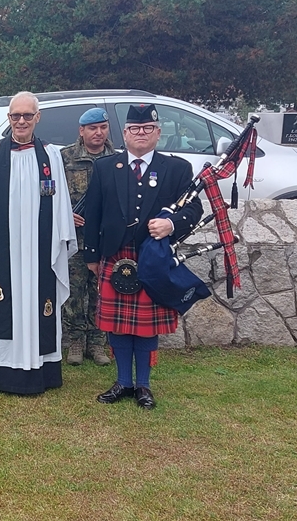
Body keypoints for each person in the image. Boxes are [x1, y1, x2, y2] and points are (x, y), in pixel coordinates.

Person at [81, 103, 201, 410]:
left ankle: (143, 385)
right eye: (135, 129)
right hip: (114, 255)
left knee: (146, 326)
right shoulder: (106, 167)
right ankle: (123, 381)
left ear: (158, 133)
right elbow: (93, 215)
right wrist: (92, 255)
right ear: (125, 133)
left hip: (152, 259)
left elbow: (193, 208)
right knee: (118, 325)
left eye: (148, 129)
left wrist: (171, 223)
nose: (141, 134)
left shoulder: (176, 169)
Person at [0, 92, 76, 395]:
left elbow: (60, 201)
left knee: (38, 303)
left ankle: (39, 370)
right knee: (0, 303)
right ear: (8, 119)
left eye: (27, 115)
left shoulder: (50, 155)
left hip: (39, 249)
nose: (21, 121)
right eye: (15, 116)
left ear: (37, 117)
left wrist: (61, 238)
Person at [60, 107, 115, 366]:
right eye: (93, 128)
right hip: (75, 240)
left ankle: (96, 342)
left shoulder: (117, 159)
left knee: (100, 292)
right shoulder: (65, 158)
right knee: (73, 292)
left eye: (103, 127)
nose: (99, 132)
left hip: (105, 240)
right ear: (81, 131)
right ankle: (75, 341)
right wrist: (65, 215)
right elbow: (50, 194)